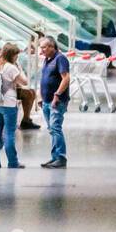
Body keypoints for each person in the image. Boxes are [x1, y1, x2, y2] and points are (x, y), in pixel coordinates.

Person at [0, 43, 28, 169]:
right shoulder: (11, 67)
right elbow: (25, 82)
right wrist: (19, 67)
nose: (17, 58)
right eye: (16, 55)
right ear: (12, 55)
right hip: (8, 103)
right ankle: (13, 162)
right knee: (9, 133)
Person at [38, 36, 71, 168]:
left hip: (57, 101)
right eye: (41, 47)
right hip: (46, 101)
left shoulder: (60, 59)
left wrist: (57, 94)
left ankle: (61, 157)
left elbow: (66, 78)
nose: (42, 50)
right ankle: (55, 157)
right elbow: (44, 79)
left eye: (44, 47)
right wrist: (40, 97)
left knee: (56, 127)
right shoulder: (47, 60)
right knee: (52, 129)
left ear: (52, 47)